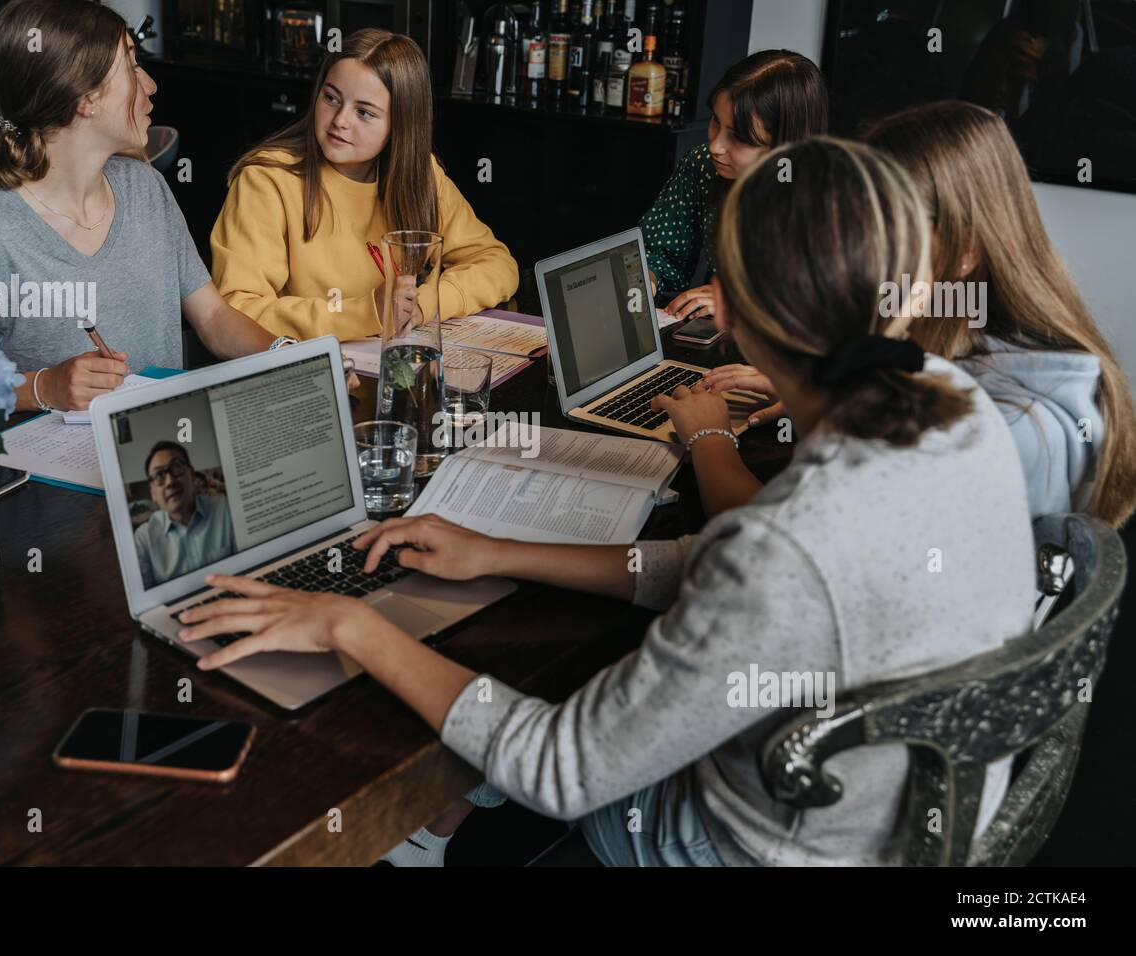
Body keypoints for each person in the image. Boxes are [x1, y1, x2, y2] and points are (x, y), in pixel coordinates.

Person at [173, 139, 1037, 866]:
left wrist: (348, 625)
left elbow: (562, 767)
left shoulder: (786, 547)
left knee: (475, 712)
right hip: (897, 817)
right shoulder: (959, 406)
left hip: (745, 847)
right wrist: (497, 551)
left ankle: (411, 837)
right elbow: (733, 566)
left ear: (729, 308)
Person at [700, 101, 1136, 525]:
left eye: (885, 227)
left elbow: (789, 551)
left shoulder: (1001, 428)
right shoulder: (978, 327)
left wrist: (709, 438)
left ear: (963, 249)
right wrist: (808, 377)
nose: (862, 251)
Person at [0, 0, 275, 413]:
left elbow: (213, 320)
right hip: (44, 470)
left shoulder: (145, 188)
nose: (151, 85)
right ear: (86, 99)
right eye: (133, 67)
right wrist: (42, 387)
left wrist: (289, 355)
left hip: (161, 450)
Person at [210, 28, 519, 342]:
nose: (341, 120)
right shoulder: (266, 180)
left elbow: (497, 264)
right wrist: (370, 311)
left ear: (400, 125)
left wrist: (423, 306)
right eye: (331, 97)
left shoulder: (420, 173)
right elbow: (236, 312)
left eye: (364, 112)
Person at [641, 50, 827, 331]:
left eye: (739, 137)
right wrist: (646, 281)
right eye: (716, 121)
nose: (716, 145)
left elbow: (833, 313)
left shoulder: (833, 198)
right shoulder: (703, 165)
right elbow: (662, 253)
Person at [133, 442, 235, 589]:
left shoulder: (225, 510)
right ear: (152, 494)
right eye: (158, 476)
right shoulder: (144, 540)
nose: (170, 481)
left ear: (192, 475)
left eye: (177, 467)